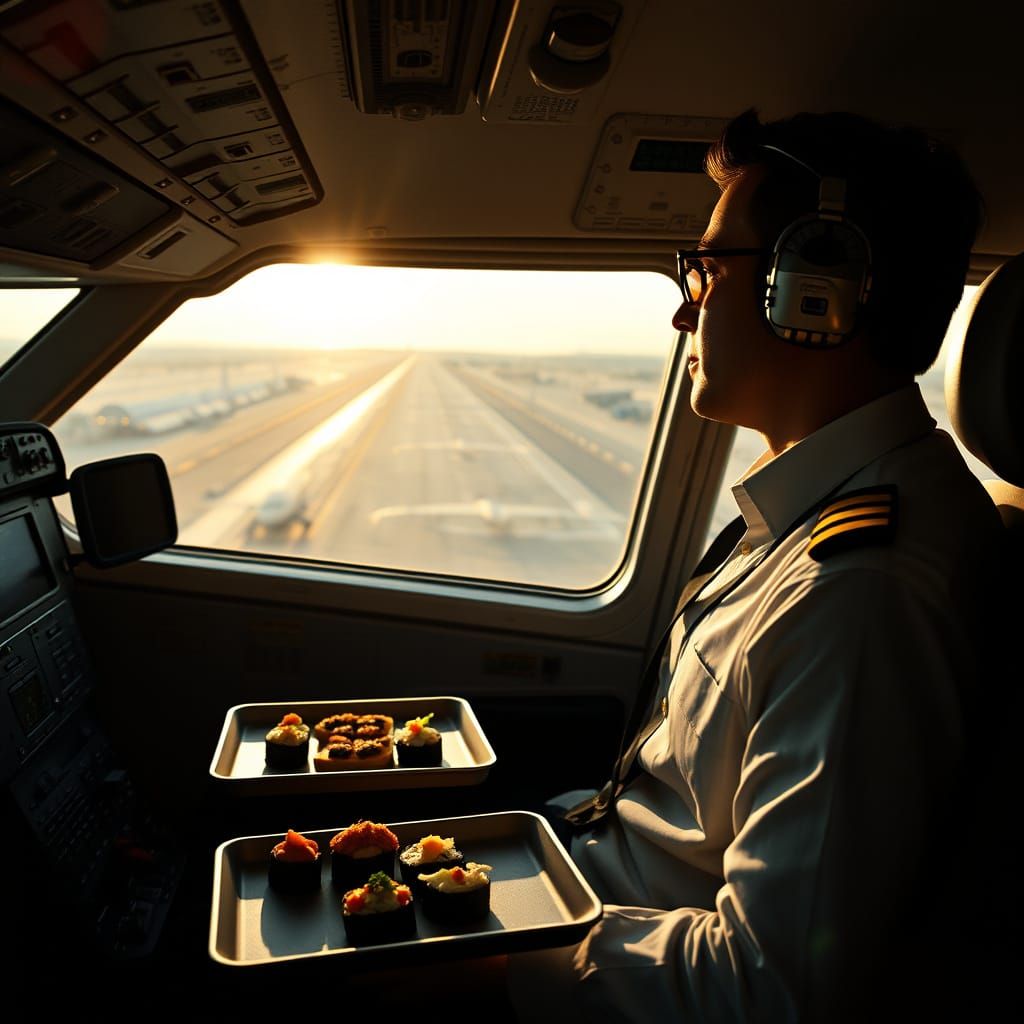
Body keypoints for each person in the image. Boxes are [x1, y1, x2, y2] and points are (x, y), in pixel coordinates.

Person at [504, 108, 1005, 1021]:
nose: (683, 305)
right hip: (591, 887)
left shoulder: (859, 593)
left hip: (608, 951)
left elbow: (770, 985)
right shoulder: (813, 509)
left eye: (705, 266)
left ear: (819, 286)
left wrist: (493, 957)